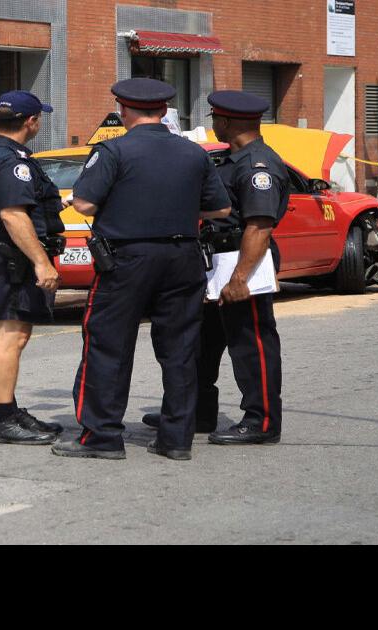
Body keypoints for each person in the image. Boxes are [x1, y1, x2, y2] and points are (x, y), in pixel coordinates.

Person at [51, 78, 232, 460]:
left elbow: (84, 204)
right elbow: (221, 208)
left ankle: (102, 436)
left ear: (123, 111)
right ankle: (176, 439)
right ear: (164, 111)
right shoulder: (193, 153)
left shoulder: (113, 150)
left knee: (108, 346)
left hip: (127, 258)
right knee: (181, 349)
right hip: (182, 257)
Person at [142, 90, 287, 445]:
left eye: (216, 119)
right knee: (200, 343)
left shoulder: (258, 165)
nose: (213, 124)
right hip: (213, 263)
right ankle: (197, 412)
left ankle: (262, 420)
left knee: (250, 344)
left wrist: (240, 278)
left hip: (242, 262)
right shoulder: (230, 160)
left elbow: (259, 226)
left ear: (227, 121)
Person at [0, 90, 67, 445]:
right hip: (8, 257)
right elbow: (12, 214)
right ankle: (1, 418)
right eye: (39, 119)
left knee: (0, 332)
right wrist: (41, 262)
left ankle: (7, 409)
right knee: (11, 335)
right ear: (31, 122)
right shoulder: (11, 161)